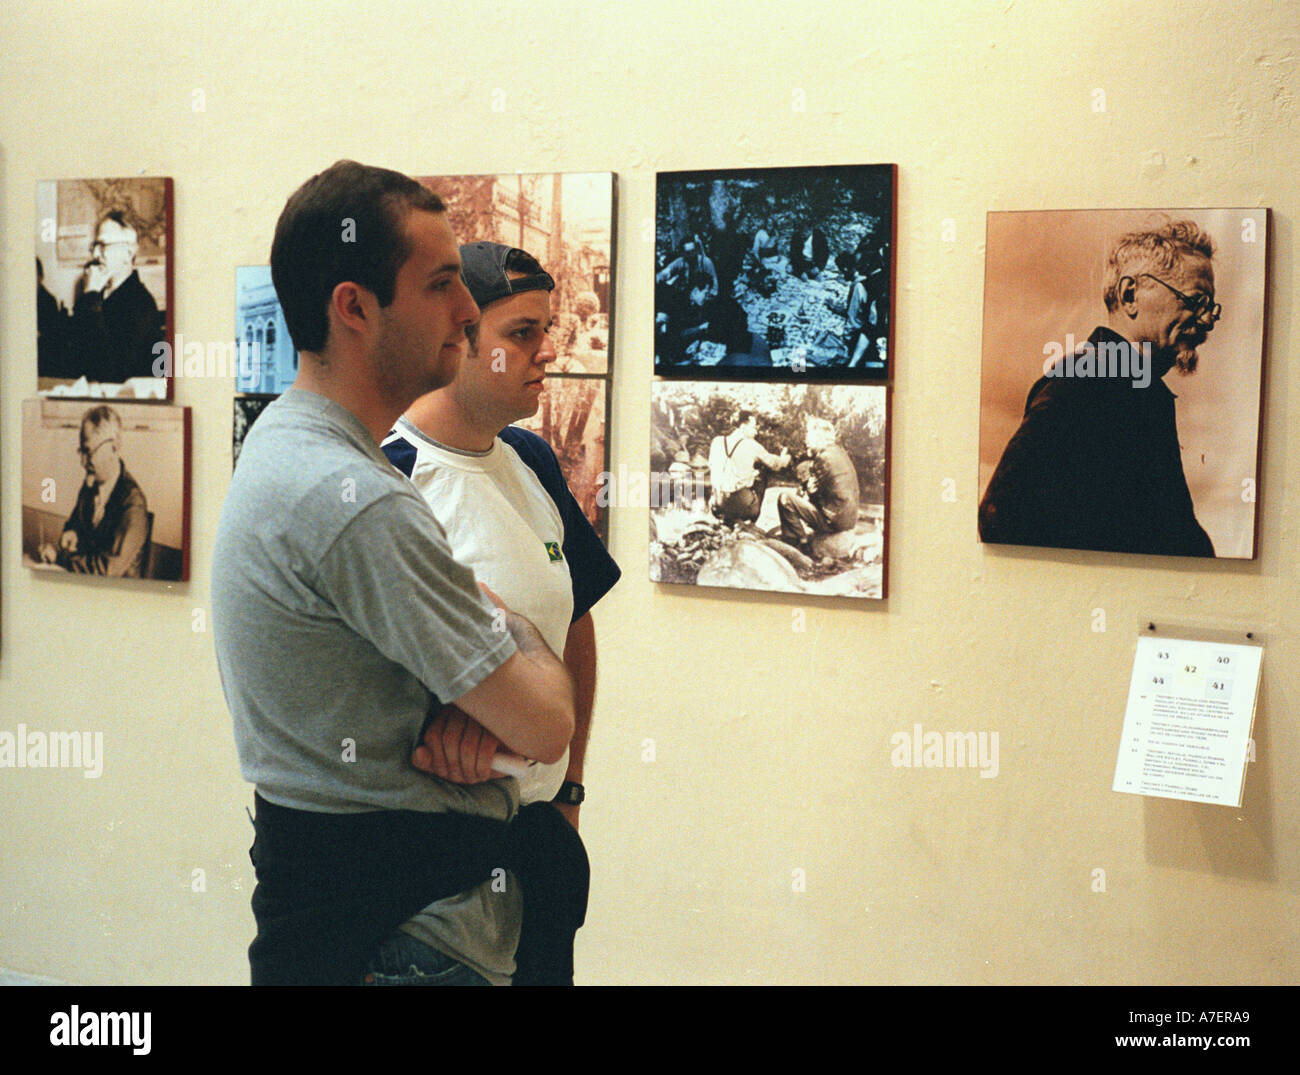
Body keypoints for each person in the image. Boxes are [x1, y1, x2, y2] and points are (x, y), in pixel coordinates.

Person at [211, 160, 577, 986]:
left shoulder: (284, 440)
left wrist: (488, 673)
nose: (465, 311)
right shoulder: (361, 501)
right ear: (354, 306)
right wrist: (517, 637)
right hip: (403, 943)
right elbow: (549, 722)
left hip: (361, 921)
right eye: (443, 284)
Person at [382, 241, 621, 986]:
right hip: (438, 875)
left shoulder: (532, 460)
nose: (548, 350)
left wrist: (570, 788)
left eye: (546, 330)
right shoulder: (394, 477)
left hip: (537, 849)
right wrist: (434, 730)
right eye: (522, 333)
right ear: (459, 340)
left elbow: (575, 624)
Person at [979, 219, 1220, 556]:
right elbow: (1001, 515)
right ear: (1130, 294)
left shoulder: (1130, 386)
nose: (1207, 320)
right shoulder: (1088, 380)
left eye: (1212, 309)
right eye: (1195, 302)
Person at [39, 404, 149, 577]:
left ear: (114, 446)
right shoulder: (91, 485)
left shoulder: (133, 504)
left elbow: (107, 569)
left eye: (89, 452)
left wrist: (61, 558)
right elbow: (76, 521)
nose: (83, 462)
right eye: (81, 451)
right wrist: (72, 531)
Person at [67, 211, 165, 385]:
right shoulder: (95, 293)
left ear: (128, 253)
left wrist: (90, 298)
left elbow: (110, 371)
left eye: (103, 246)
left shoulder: (141, 303)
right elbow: (72, 358)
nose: (96, 255)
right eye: (95, 246)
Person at [777, 417, 860, 548]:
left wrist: (809, 492)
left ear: (820, 438)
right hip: (849, 520)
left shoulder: (823, 458)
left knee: (785, 499)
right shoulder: (839, 452)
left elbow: (815, 496)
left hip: (834, 522)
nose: (806, 441)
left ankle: (796, 542)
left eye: (809, 437)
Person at [708, 410, 790, 525]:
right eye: (753, 427)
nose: (756, 431)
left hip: (716, 503)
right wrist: (784, 458)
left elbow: (713, 467)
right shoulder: (751, 445)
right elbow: (775, 465)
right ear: (743, 426)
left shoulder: (717, 441)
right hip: (738, 503)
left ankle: (728, 520)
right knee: (761, 476)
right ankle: (751, 521)